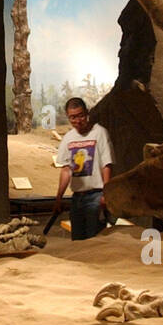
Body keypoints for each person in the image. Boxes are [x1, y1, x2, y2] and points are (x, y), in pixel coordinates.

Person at [52, 98, 114, 241]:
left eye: (80, 115)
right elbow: (66, 170)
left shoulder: (100, 133)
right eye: (73, 117)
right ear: (68, 118)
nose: (78, 121)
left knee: (95, 239)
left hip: (96, 196)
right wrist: (59, 197)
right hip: (77, 198)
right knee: (78, 240)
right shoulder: (68, 138)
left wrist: (106, 193)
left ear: (86, 113)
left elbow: (107, 164)